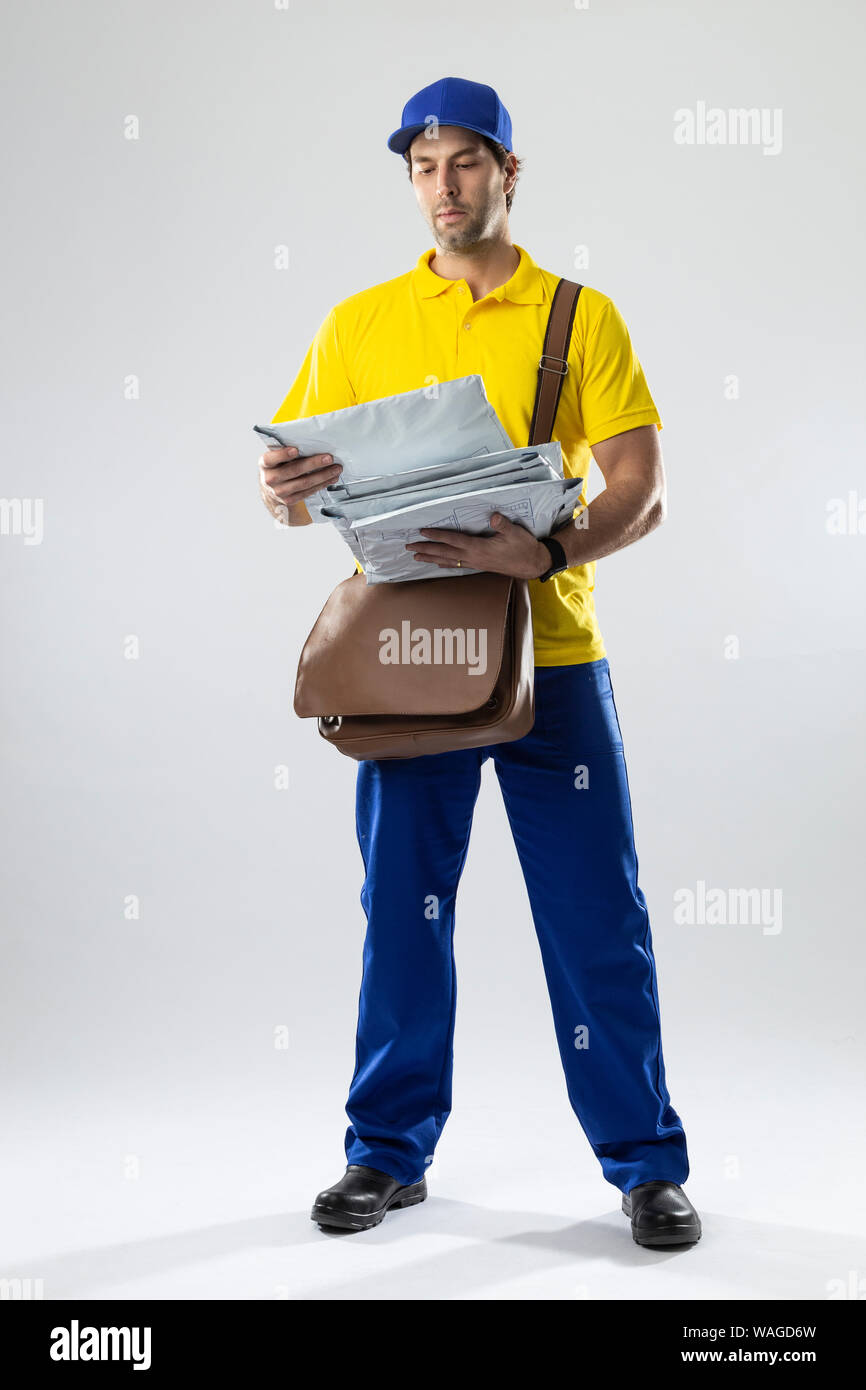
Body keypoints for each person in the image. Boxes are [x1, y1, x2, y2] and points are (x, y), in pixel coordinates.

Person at [258, 77, 701, 1248]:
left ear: (508, 174)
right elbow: (297, 490)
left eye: (465, 163)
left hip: (549, 655)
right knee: (402, 909)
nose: (442, 186)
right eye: (422, 166)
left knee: (595, 912)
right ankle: (383, 1154)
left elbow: (638, 492)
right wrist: (280, 490)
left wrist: (545, 544)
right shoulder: (357, 322)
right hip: (406, 653)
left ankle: (644, 1164)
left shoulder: (578, 318)